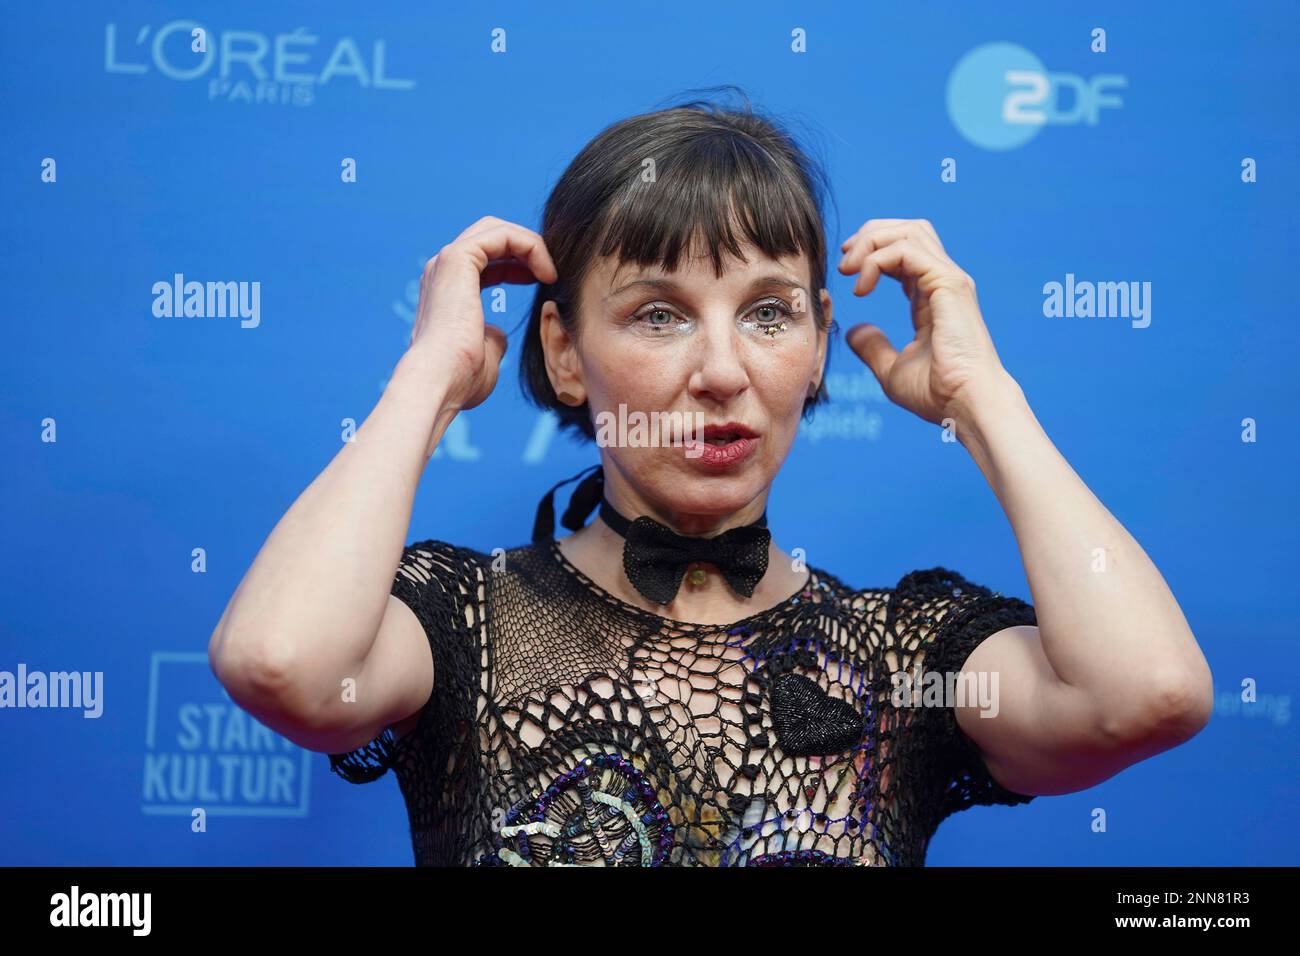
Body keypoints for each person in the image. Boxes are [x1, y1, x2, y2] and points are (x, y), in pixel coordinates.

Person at [206, 89, 1213, 867]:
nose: (724, 369)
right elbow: (283, 662)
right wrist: (426, 378)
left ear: (819, 343)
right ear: (563, 351)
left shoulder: (900, 661)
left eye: (769, 312)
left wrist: (979, 396)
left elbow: (1149, 692)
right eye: (658, 312)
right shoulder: (463, 621)